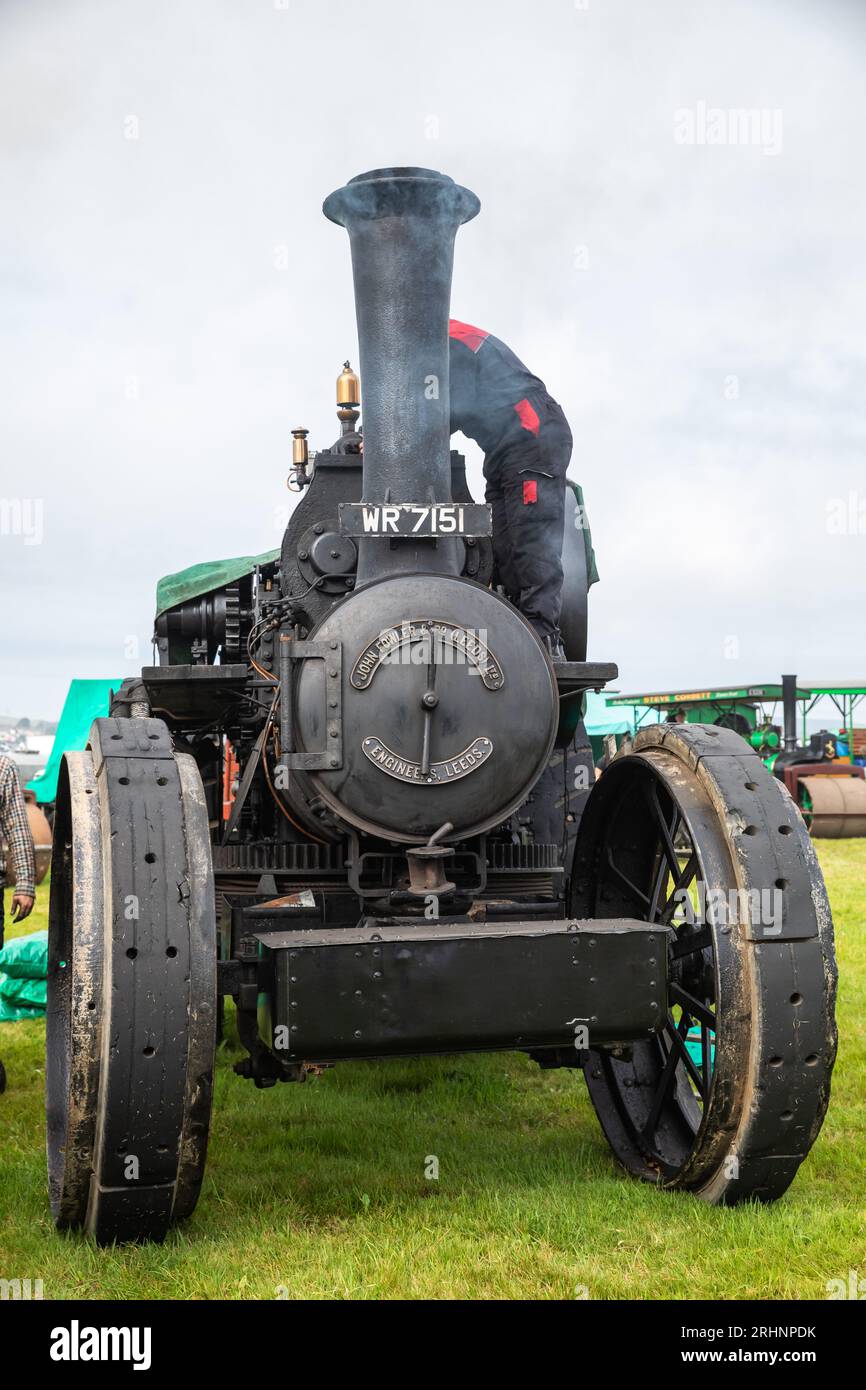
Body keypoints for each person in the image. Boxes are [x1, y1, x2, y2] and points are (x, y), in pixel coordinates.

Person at [449, 319, 574, 656]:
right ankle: (515, 626)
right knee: (502, 546)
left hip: (533, 434)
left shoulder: (450, 342)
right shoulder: (445, 340)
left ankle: (543, 639)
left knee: (531, 537)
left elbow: (443, 410)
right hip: (503, 448)